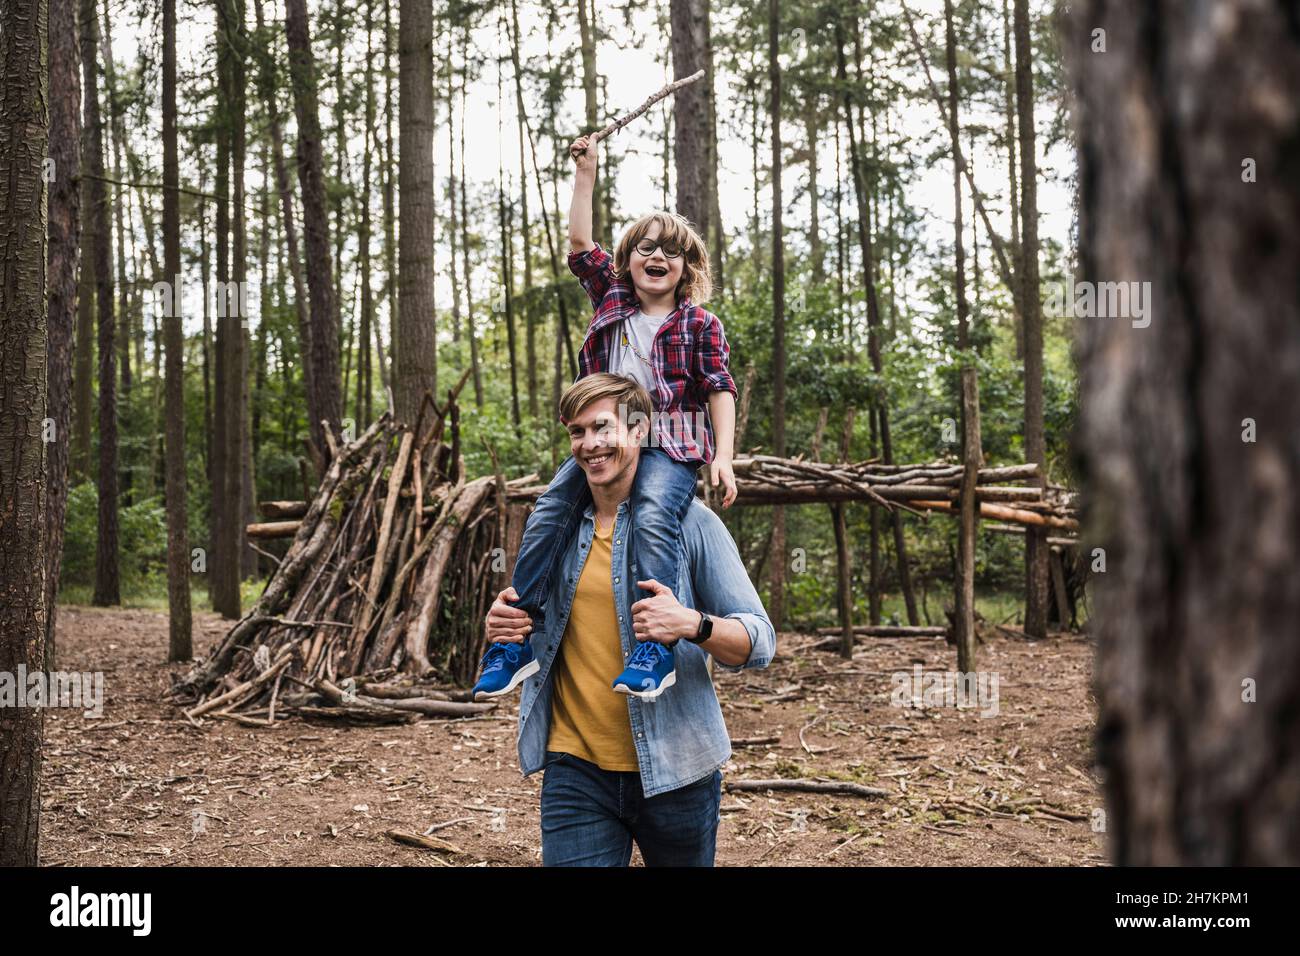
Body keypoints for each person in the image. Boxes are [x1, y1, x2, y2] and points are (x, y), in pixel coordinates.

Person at [472, 131, 739, 702]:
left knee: (652, 510)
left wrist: (723, 456)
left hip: (669, 442)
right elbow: (577, 243)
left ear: (687, 267)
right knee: (550, 508)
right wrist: (587, 171)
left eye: (671, 252)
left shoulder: (700, 325)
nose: (657, 258)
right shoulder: (611, 300)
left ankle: (655, 646)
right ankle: (517, 636)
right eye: (645, 248)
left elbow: (719, 387)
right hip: (608, 436)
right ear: (628, 261)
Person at [483, 374, 775, 866]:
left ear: (639, 430)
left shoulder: (692, 525)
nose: (590, 444)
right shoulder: (553, 532)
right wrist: (504, 624)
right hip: (575, 771)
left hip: (678, 769)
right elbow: (538, 631)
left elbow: (759, 640)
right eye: (577, 432)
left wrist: (692, 624)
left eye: (602, 427)